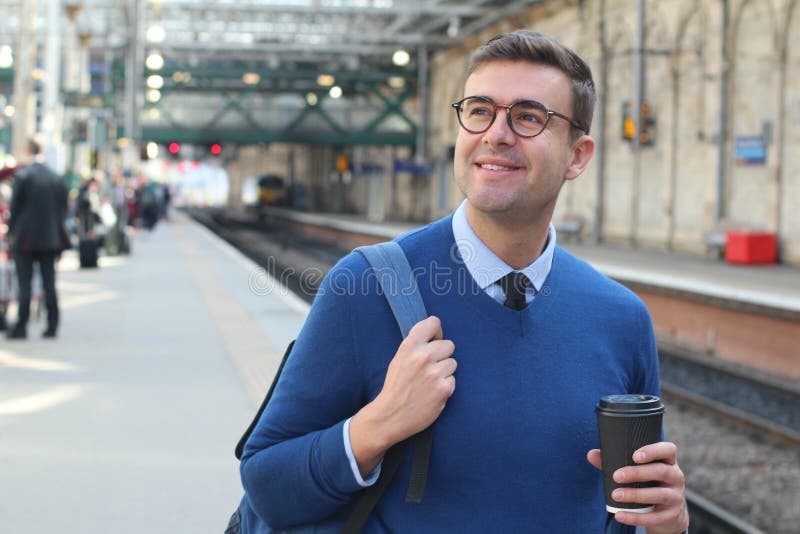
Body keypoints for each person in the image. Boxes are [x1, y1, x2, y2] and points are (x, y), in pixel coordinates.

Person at [238, 31, 689, 533]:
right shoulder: (364, 286)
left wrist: (665, 523)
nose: (497, 133)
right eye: (479, 111)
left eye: (528, 116)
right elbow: (266, 484)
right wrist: (378, 424)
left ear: (577, 155)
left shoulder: (621, 318)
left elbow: (631, 505)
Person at [6, 139, 68, 339]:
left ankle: (22, 326)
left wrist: (11, 232)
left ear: (27, 150)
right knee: (49, 282)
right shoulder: (56, 177)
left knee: (24, 283)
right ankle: (52, 325)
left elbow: (14, 209)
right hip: (50, 238)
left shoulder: (23, 176)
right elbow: (63, 210)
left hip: (26, 238)